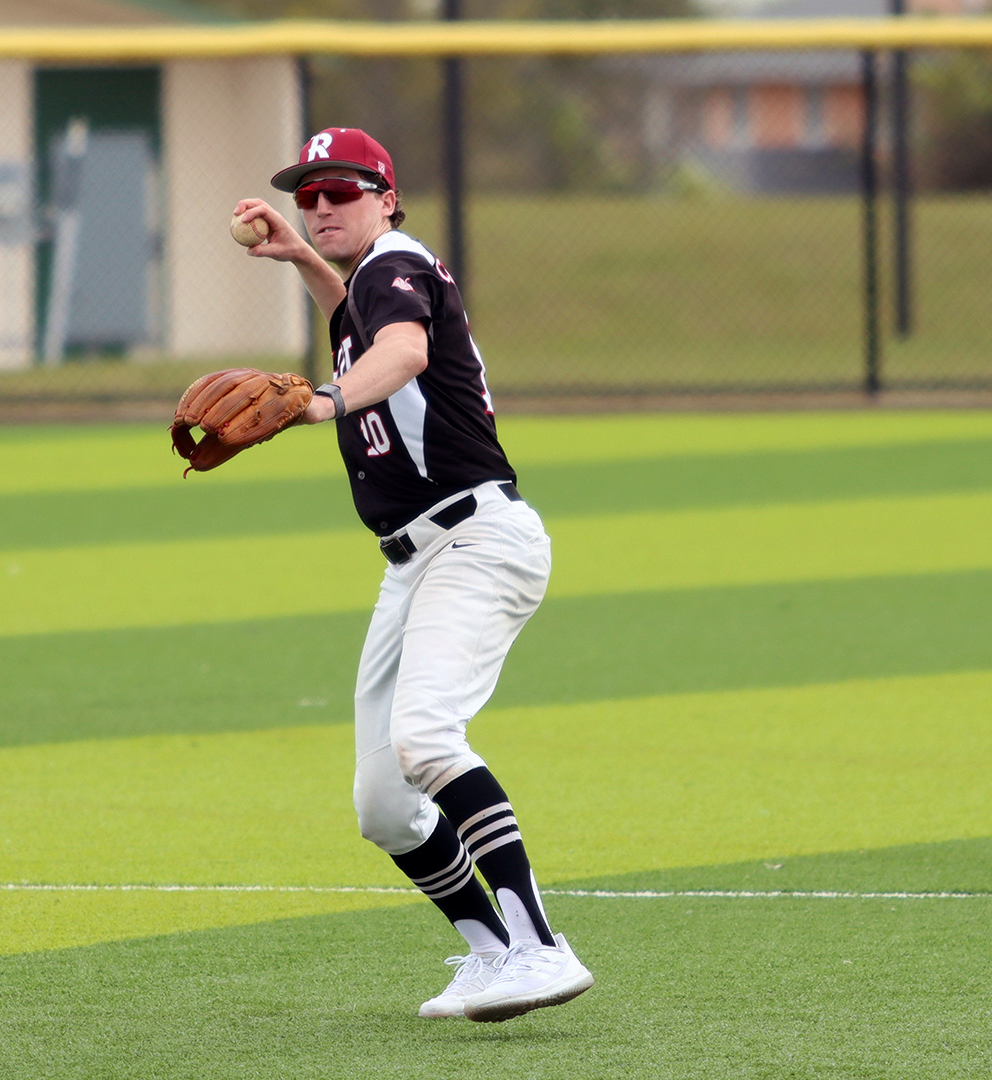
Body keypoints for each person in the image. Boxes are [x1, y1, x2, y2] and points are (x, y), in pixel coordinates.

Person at [232, 127, 594, 1023]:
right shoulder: (367, 283)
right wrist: (298, 262)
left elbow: (402, 355)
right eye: (308, 196)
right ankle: (489, 955)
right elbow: (365, 327)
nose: (319, 207)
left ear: (386, 198)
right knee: (385, 807)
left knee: (428, 737)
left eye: (340, 192)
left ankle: (542, 950)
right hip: (416, 560)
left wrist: (319, 402)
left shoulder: (396, 266)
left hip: (476, 539)